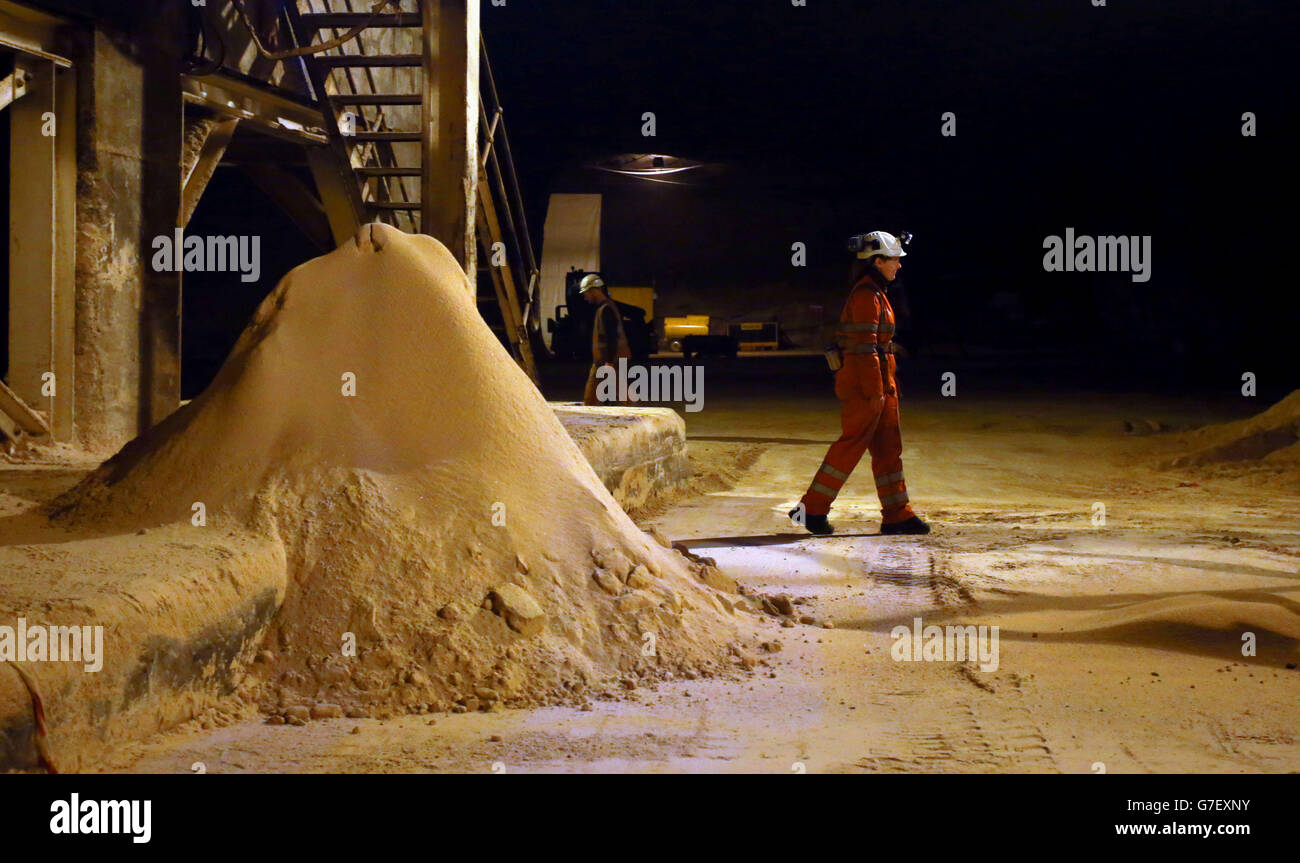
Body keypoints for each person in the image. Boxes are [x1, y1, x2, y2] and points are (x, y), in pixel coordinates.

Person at [791, 231, 930, 536]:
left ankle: (897, 514)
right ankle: (810, 510)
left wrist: (886, 386)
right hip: (866, 385)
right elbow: (865, 349)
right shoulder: (866, 295)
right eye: (894, 259)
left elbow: (875, 348)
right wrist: (875, 392)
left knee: (888, 449)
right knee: (851, 446)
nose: (899, 266)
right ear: (877, 261)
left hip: (879, 382)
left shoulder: (876, 293)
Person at [579, 274, 632, 406]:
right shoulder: (605, 308)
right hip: (608, 359)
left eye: (586, 293)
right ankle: (643, 419)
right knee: (624, 394)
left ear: (594, 291)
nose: (585, 297)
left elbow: (612, 336)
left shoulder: (606, 310)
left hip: (608, 360)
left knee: (591, 398)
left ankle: (644, 419)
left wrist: (609, 361)